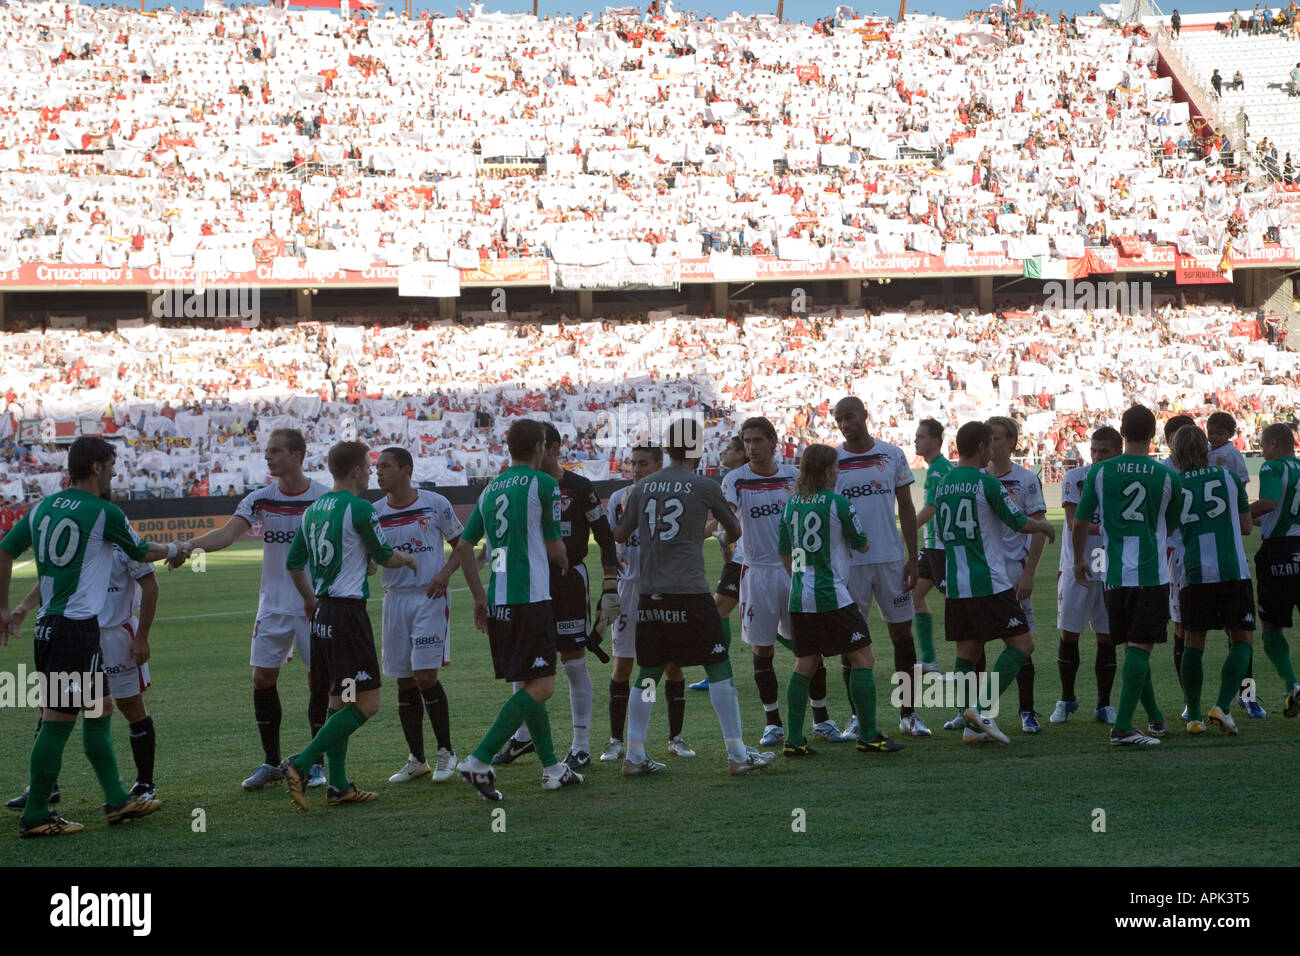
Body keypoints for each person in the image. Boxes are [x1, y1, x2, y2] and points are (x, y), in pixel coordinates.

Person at [0, 436, 178, 837]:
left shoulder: (42, 507)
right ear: (97, 466)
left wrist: (6, 608)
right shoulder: (103, 511)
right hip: (73, 630)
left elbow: (5, 551)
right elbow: (143, 552)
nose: (114, 471)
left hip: (55, 626)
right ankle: (35, 815)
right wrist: (179, 546)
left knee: (100, 711)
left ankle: (116, 800)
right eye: (112, 464)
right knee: (57, 722)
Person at [170, 429, 331, 791]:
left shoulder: (324, 498)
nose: (268, 457)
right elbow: (226, 536)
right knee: (262, 678)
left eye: (275, 451)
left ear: (297, 455)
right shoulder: (259, 499)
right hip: (273, 604)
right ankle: (272, 763)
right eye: (267, 451)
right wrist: (187, 547)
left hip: (313, 604)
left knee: (317, 681)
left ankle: (315, 763)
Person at [614, 416, 774, 776]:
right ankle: (736, 753)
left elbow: (620, 534)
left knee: (648, 672)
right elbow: (733, 528)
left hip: (651, 593)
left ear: (668, 449)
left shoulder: (642, 488)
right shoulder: (704, 486)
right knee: (718, 664)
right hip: (689, 590)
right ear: (698, 449)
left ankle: (634, 755)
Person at [281, 441, 417, 810]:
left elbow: (294, 563)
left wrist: (310, 598)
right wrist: (407, 559)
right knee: (367, 702)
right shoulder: (359, 508)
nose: (371, 473)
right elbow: (385, 555)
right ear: (356, 471)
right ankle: (301, 762)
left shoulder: (313, 511)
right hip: (347, 617)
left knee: (340, 700)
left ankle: (338, 786)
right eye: (368, 468)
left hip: (323, 613)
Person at [453, 419, 580, 800]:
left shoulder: (490, 489)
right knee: (542, 684)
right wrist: (562, 561)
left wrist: (479, 597)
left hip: (500, 599)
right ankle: (478, 759)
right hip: (532, 600)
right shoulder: (546, 484)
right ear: (541, 446)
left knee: (529, 683)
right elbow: (557, 548)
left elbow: (463, 548)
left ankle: (553, 768)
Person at [489, 423, 617, 771]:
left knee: (573, 660)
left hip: (566, 580)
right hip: (528, 582)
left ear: (555, 447)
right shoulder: (518, 486)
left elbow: (605, 538)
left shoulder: (578, 487)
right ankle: (522, 737)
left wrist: (610, 584)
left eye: (541, 445)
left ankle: (580, 744)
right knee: (524, 664)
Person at [933, 422, 1055, 746]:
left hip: (957, 582)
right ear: (982, 448)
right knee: (1022, 645)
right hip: (989, 580)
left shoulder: (942, 485)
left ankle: (970, 727)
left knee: (967, 652)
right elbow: (1017, 521)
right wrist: (1043, 527)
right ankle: (983, 710)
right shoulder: (985, 483)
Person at [778, 444, 903, 756]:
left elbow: (783, 551)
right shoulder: (838, 504)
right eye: (835, 467)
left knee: (804, 663)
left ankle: (793, 739)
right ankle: (870, 734)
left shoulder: (792, 505)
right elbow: (862, 545)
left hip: (800, 595)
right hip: (832, 595)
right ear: (825, 470)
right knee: (863, 659)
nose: (838, 471)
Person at [1073, 405, 1182, 747]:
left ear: (1122, 433)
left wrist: (1078, 560)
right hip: (1150, 572)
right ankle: (1121, 727)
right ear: (1154, 435)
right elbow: (1172, 524)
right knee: (1141, 647)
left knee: (1135, 647)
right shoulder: (1166, 475)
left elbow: (1079, 522)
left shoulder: (1100, 473)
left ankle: (1155, 719)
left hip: (1113, 571)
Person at [374, 446, 483, 785]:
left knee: (425, 676)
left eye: (385, 467)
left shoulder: (436, 504)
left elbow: (462, 545)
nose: (378, 473)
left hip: (430, 597)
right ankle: (416, 759)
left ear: (406, 469)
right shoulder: (374, 512)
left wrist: (446, 573)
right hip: (394, 599)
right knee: (403, 680)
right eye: (376, 467)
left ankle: (446, 751)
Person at [832, 397, 930, 739]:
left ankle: (909, 714)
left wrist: (912, 557)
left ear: (865, 415)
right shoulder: (834, 461)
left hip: (890, 560)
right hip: (850, 565)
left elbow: (905, 507)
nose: (845, 424)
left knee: (902, 635)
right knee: (851, 642)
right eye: (839, 419)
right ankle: (858, 718)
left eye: (850, 416)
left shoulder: (892, 454)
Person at [598, 442, 695, 762]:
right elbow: (609, 537)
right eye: (633, 463)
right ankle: (615, 741)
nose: (636, 469)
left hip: (665, 588)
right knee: (623, 662)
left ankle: (676, 738)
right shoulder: (618, 498)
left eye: (643, 463)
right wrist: (612, 565)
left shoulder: (672, 496)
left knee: (673, 663)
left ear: (658, 465)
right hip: (629, 590)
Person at [1167, 426, 1256, 735]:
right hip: (1232, 570)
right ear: (1206, 451)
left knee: (1193, 642)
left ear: (1175, 453)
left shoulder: (1174, 484)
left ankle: (1192, 716)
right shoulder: (1228, 478)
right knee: (1242, 638)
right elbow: (1246, 527)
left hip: (1193, 572)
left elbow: (1167, 530)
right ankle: (1222, 705)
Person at [721, 416, 801, 746]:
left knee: (808, 646)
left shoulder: (793, 476)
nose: (751, 447)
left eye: (757, 440)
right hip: (755, 571)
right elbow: (727, 521)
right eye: (747, 441)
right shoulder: (735, 480)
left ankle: (822, 717)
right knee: (762, 648)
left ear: (773, 442)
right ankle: (772, 722)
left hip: (795, 569)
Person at [982, 417, 1049, 733]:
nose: (991, 443)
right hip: (982, 577)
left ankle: (1027, 711)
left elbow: (1037, 528)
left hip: (1013, 574)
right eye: (988, 437)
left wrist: (1030, 573)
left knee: (1022, 645)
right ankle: (973, 713)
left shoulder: (1026, 480)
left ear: (1012, 442)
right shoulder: (976, 479)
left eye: (997, 438)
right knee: (974, 645)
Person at [1051, 427, 1122, 725]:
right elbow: (1071, 522)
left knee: (1107, 636)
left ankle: (1104, 705)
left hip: (1111, 565)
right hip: (1077, 564)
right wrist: (1110, 529)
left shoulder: (1122, 479)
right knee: (1069, 632)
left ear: (1118, 452)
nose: (1097, 456)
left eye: (1104, 452)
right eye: (1094, 451)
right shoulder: (1075, 478)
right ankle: (1067, 699)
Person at [1246, 423, 1300, 720]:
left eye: (1263, 445)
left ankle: (1292, 683)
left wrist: (1236, 513)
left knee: (1270, 626)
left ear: (1275, 444)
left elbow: (1268, 504)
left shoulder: (1272, 468)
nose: (1262, 451)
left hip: (1279, 551)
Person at [692, 436, 748, 693]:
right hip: (748, 556)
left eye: (727, 449)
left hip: (744, 557)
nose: (722, 453)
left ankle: (720, 672)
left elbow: (721, 522)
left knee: (720, 610)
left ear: (740, 453)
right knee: (722, 609)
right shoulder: (743, 477)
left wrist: (692, 538)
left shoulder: (734, 479)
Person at [912, 418, 950, 675]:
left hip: (941, 546)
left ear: (935, 441)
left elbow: (932, 508)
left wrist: (905, 529)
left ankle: (967, 658)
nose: (916, 440)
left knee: (956, 604)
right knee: (913, 596)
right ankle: (929, 661)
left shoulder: (939, 470)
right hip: (931, 545)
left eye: (921, 436)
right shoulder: (936, 468)